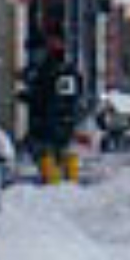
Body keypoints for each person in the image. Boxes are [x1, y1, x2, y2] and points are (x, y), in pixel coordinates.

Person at [20, 33, 85, 184]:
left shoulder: (48, 72)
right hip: (63, 120)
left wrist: (31, 97)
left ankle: (53, 181)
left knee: (43, 150)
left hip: (48, 121)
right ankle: (68, 181)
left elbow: (49, 97)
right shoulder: (66, 71)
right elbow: (72, 95)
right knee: (63, 150)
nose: (33, 57)